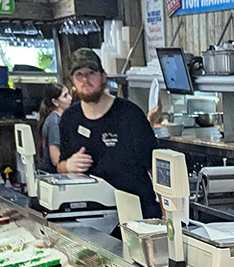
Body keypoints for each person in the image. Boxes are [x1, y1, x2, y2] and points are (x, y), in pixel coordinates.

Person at [58, 48, 160, 218]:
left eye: (91, 73)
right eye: (79, 75)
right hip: (91, 215)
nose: (85, 80)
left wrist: (166, 215)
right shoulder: (69, 119)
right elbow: (60, 166)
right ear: (72, 81)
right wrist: (68, 166)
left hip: (136, 211)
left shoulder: (129, 114)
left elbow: (155, 168)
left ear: (103, 76)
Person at [38, 83, 72, 173]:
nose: (70, 98)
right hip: (54, 173)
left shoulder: (61, 119)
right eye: (65, 96)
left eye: (69, 94)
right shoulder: (55, 122)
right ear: (55, 102)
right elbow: (56, 159)